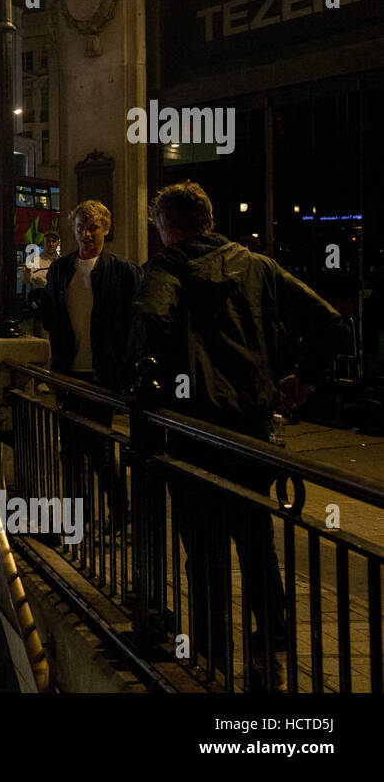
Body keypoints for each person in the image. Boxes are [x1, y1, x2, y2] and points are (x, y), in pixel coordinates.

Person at [130, 181, 343, 690]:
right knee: (256, 542)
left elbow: (147, 323)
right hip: (251, 433)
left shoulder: (167, 266)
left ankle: (211, 649)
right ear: (208, 219)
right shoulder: (259, 267)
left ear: (168, 226)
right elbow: (329, 321)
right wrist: (303, 378)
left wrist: (147, 380)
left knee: (202, 548)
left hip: (193, 430)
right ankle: (271, 644)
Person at [39, 199, 141, 522]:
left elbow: (133, 323)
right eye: (81, 228)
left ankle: (119, 510)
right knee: (69, 449)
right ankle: (76, 518)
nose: (87, 234)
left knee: (97, 447)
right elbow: (53, 317)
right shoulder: (60, 270)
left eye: (94, 228)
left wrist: (126, 368)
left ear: (106, 230)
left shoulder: (122, 272)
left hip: (102, 375)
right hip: (69, 373)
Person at [23, 229, 61, 340]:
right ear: (43, 243)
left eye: (53, 241)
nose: (51, 244)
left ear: (58, 243)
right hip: (42, 310)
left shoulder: (62, 261)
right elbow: (25, 281)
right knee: (43, 342)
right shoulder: (35, 260)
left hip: (58, 310)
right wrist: (28, 272)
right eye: (47, 241)